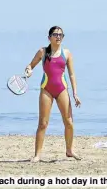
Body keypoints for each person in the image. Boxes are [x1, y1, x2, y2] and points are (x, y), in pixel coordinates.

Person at [24, 26, 82, 162]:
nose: (58, 37)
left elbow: (72, 75)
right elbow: (30, 66)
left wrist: (75, 93)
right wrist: (28, 70)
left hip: (62, 89)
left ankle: (69, 150)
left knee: (69, 122)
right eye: (55, 34)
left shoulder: (66, 53)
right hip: (46, 89)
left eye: (61, 35)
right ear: (49, 37)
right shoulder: (42, 52)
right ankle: (37, 155)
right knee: (43, 123)